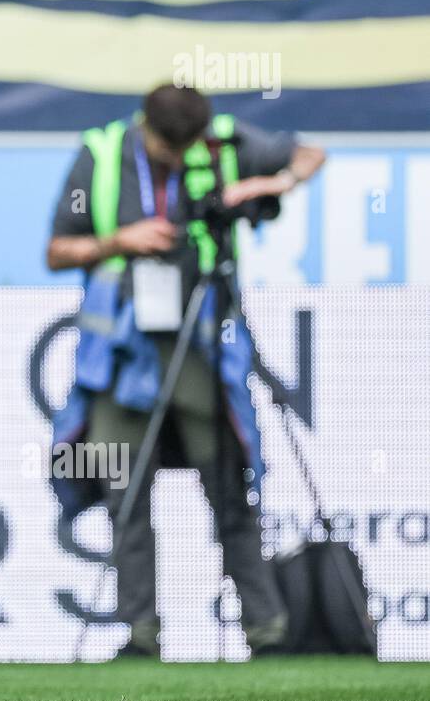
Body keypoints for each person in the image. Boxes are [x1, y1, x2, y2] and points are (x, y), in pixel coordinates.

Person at [46, 84, 325, 657]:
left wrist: (272, 183)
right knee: (124, 494)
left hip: (203, 351)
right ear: (144, 126)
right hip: (122, 356)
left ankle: (267, 631)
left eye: (184, 149)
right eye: (164, 149)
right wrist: (119, 241)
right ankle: (140, 635)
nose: (174, 159)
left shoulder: (224, 143)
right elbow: (56, 252)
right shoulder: (101, 153)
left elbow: (310, 155)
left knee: (229, 492)